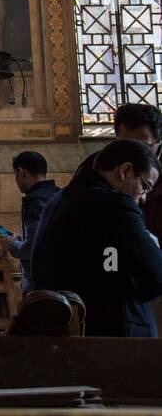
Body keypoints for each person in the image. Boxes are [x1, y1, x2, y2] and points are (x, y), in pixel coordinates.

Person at [30, 139, 162, 336]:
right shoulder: (115, 205)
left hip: (66, 329)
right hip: (112, 335)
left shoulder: (58, 200)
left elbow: (107, 262)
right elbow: (156, 277)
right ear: (125, 171)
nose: (143, 197)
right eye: (145, 185)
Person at [31, 102, 162, 260]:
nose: (132, 155)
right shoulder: (93, 167)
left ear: (158, 142)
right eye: (124, 144)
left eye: (143, 146)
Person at [0, 151, 59, 293]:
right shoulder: (58, 195)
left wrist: (12, 244)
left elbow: (33, 249)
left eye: (15, 175)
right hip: (60, 282)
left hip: (40, 286)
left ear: (21, 172)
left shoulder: (35, 202)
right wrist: (22, 239)